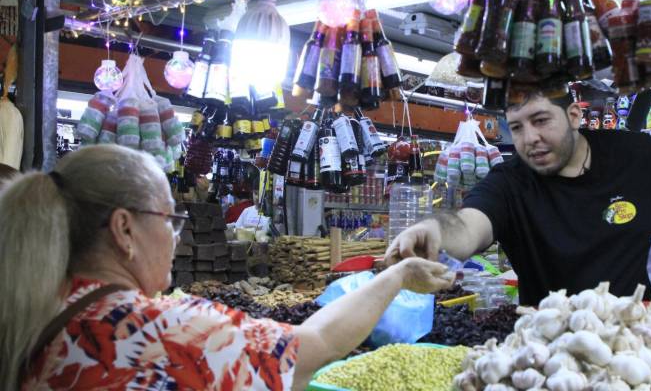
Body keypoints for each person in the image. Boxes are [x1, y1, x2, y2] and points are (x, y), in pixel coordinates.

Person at [0, 144, 453, 390]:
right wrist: (397, 277)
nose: (176, 236)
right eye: (170, 219)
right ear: (124, 230)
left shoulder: (35, 313)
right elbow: (312, 347)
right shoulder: (163, 333)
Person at [386, 92, 651, 305]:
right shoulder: (510, 183)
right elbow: (469, 223)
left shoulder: (641, 156)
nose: (530, 139)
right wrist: (433, 231)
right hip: (553, 354)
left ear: (573, 115)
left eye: (541, 120)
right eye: (516, 127)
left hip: (641, 342)